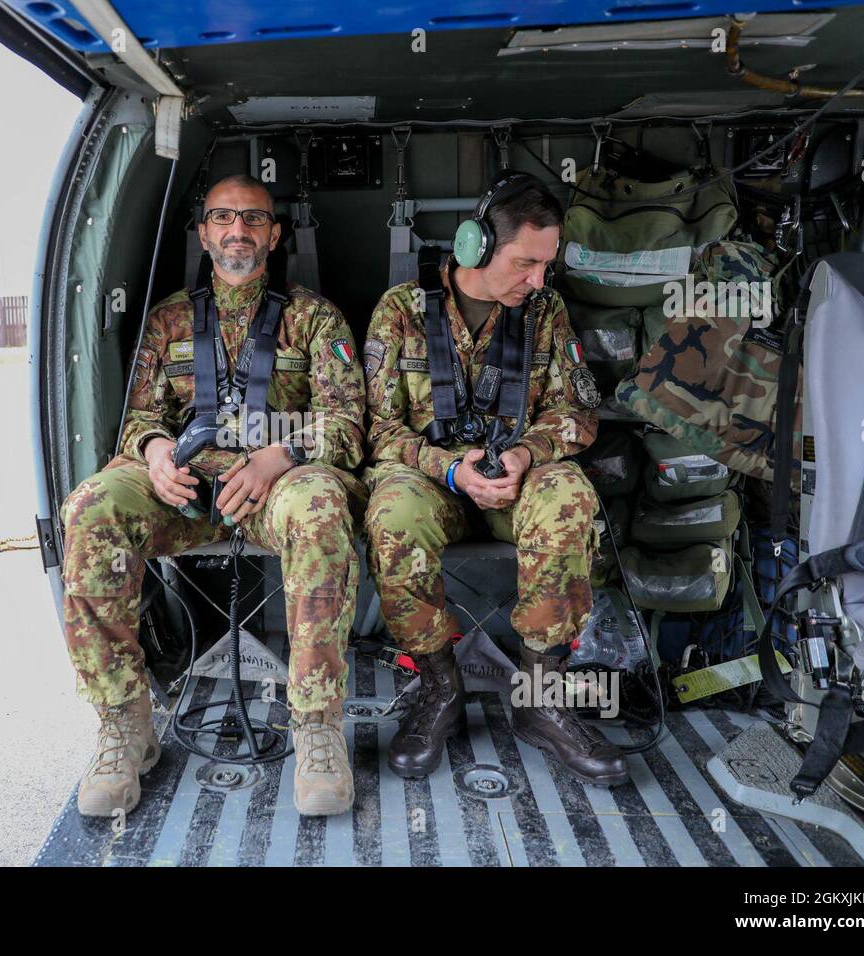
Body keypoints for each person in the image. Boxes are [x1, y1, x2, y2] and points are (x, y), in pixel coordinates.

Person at [59, 174, 367, 817]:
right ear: (203, 233)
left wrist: (277, 456)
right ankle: (124, 726)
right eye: (223, 219)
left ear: (275, 234)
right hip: (187, 487)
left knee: (320, 509)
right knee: (92, 506)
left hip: (278, 486)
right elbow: (138, 418)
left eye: (253, 220)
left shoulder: (314, 318)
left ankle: (314, 727)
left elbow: (345, 422)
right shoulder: (168, 319)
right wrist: (154, 454)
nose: (238, 232)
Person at [361, 173, 629, 787]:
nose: (537, 280)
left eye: (545, 266)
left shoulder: (546, 311)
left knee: (568, 495)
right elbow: (376, 431)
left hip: (515, 477)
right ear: (474, 247)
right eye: (525, 263)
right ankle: (438, 687)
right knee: (393, 511)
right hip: (435, 483)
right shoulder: (401, 311)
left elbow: (575, 413)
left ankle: (540, 696)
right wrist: (451, 469)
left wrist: (527, 455)